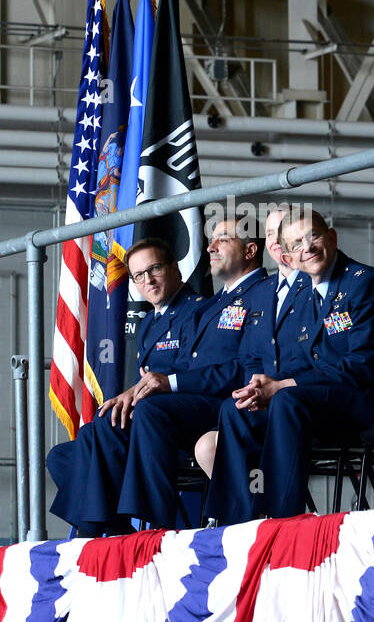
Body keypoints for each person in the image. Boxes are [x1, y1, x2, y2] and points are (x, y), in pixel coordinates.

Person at [204, 209, 374, 523]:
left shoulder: (364, 284)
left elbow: (361, 366)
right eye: (295, 244)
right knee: (237, 408)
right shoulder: (303, 295)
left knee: (288, 400)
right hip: (329, 401)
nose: (307, 248)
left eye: (313, 236)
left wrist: (282, 387)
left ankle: (280, 519)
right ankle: (238, 523)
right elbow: (299, 362)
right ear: (290, 258)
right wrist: (261, 388)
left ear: (331, 238)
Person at [115, 219, 267, 529]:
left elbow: (246, 367)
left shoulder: (265, 293)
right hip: (200, 402)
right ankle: (112, 527)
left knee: (150, 411)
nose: (210, 247)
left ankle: (156, 525)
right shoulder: (211, 306)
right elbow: (189, 362)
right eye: (211, 240)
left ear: (250, 250)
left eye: (222, 240)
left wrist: (169, 382)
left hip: (233, 404)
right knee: (107, 425)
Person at [46, 237, 203, 535]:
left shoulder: (198, 311)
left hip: (175, 423)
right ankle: (118, 528)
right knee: (62, 455)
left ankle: (89, 535)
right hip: (145, 421)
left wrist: (151, 387)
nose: (148, 280)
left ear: (175, 269)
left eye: (155, 269)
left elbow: (196, 372)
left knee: (102, 429)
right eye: (139, 275)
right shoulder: (149, 323)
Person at [191, 205, 311, 482]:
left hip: (300, 395)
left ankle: (255, 517)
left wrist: (274, 386)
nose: (278, 240)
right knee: (210, 438)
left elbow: (316, 355)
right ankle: (241, 520)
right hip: (259, 396)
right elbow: (251, 357)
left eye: (285, 232)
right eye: (271, 233)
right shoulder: (267, 292)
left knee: (228, 414)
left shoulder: (312, 285)